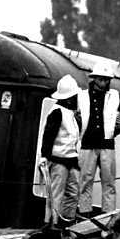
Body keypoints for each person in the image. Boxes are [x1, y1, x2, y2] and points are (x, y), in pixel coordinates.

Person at [78, 61, 120, 217]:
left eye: (107, 79)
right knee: (85, 182)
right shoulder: (82, 96)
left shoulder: (115, 96)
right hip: (88, 144)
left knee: (109, 183)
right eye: (101, 79)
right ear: (95, 78)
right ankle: (84, 216)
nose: (104, 82)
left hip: (107, 145)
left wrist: (118, 129)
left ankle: (108, 217)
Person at [40, 75, 83, 227]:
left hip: (71, 159)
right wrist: (44, 156)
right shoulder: (57, 112)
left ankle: (67, 222)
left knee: (73, 192)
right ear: (70, 97)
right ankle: (51, 223)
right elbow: (48, 136)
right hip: (58, 159)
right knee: (55, 194)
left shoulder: (69, 113)